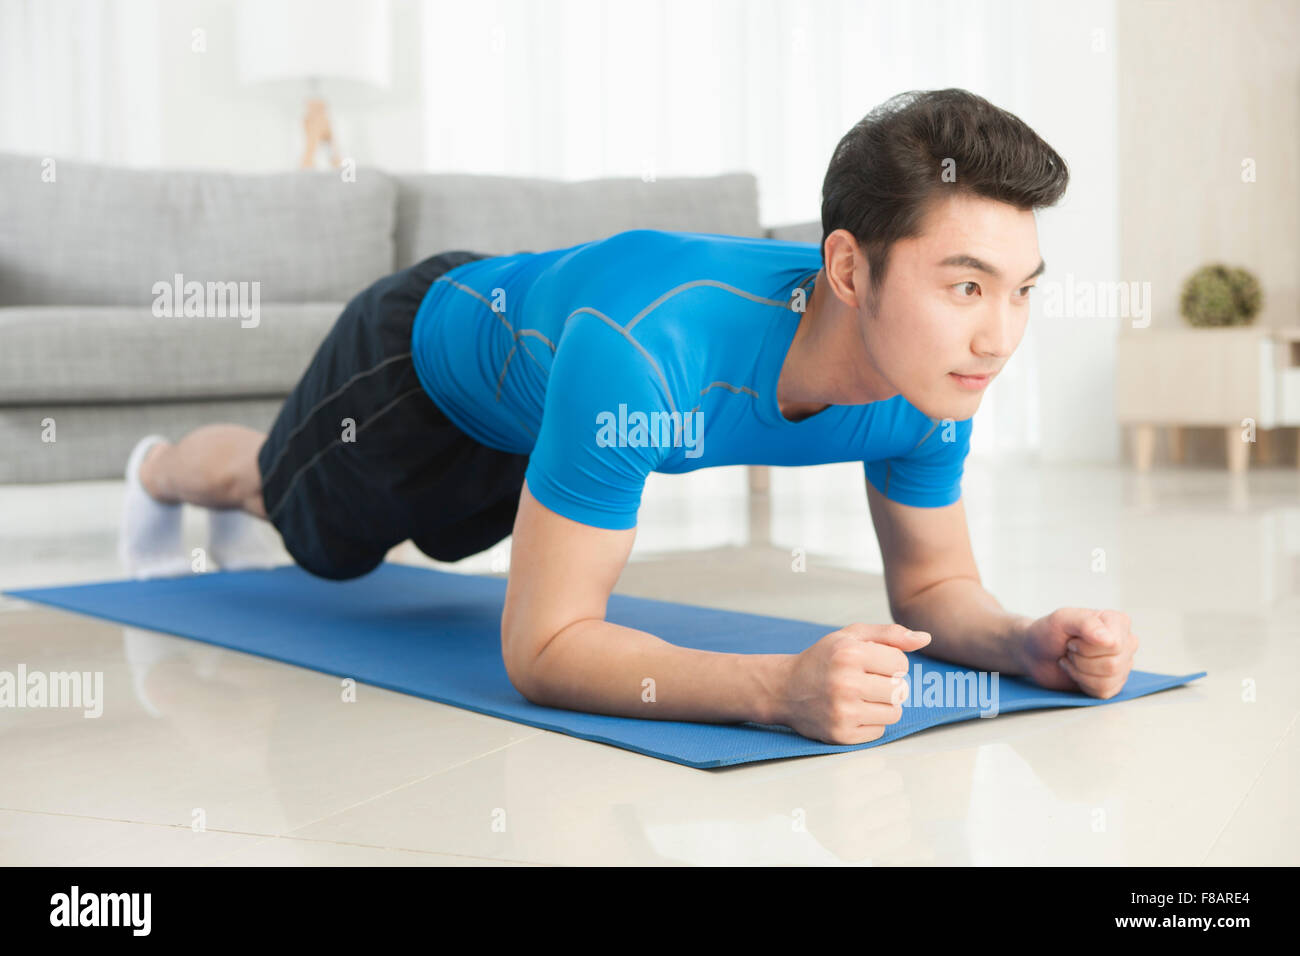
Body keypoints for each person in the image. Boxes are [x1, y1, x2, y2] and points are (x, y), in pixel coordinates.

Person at [119, 88, 1140, 745]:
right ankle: (163, 468)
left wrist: (1020, 642)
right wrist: (776, 686)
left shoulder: (933, 385)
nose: (999, 336)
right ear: (846, 267)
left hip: (540, 408)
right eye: (967, 287)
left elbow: (934, 583)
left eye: (1021, 291)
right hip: (416, 366)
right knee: (296, 519)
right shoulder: (650, 350)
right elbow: (546, 646)